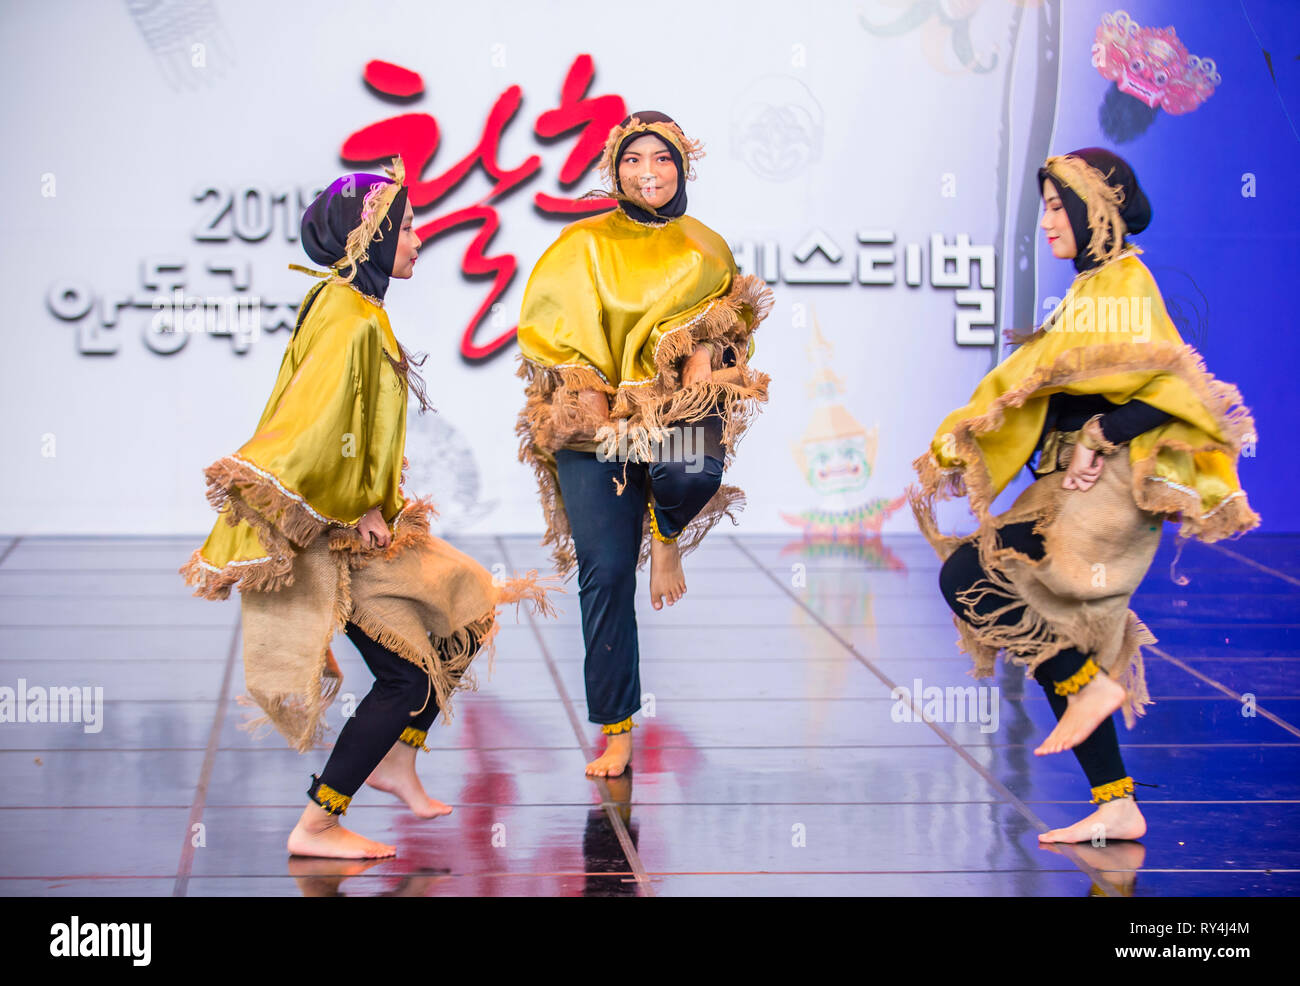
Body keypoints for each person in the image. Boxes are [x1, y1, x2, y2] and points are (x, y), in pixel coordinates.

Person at [181, 157, 553, 859]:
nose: (418, 239)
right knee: (406, 674)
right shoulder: (350, 319)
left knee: (468, 602)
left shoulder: (353, 307)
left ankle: (398, 760)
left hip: (361, 525)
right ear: (369, 235)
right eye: (407, 227)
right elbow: (313, 425)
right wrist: (357, 510)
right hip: (338, 541)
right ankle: (319, 822)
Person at [910, 148, 1259, 843]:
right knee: (1052, 634)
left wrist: (1104, 430)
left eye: (1055, 205)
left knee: (973, 574)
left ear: (1096, 207)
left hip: (1113, 489)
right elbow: (1049, 384)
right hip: (1072, 482)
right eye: (1042, 206)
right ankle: (1117, 802)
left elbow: (1176, 392)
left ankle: (1096, 704)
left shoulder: (1125, 286)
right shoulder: (1096, 288)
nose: (1046, 222)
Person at [515, 111, 773, 777]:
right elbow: (558, 338)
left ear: (682, 166)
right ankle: (618, 729)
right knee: (602, 571)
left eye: (661, 158)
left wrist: (698, 370)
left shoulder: (706, 248)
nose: (647, 171)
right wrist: (600, 413)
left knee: (692, 470)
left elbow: (728, 332)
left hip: (673, 402)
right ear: (615, 167)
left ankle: (665, 537)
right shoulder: (582, 245)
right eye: (634, 159)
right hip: (590, 413)